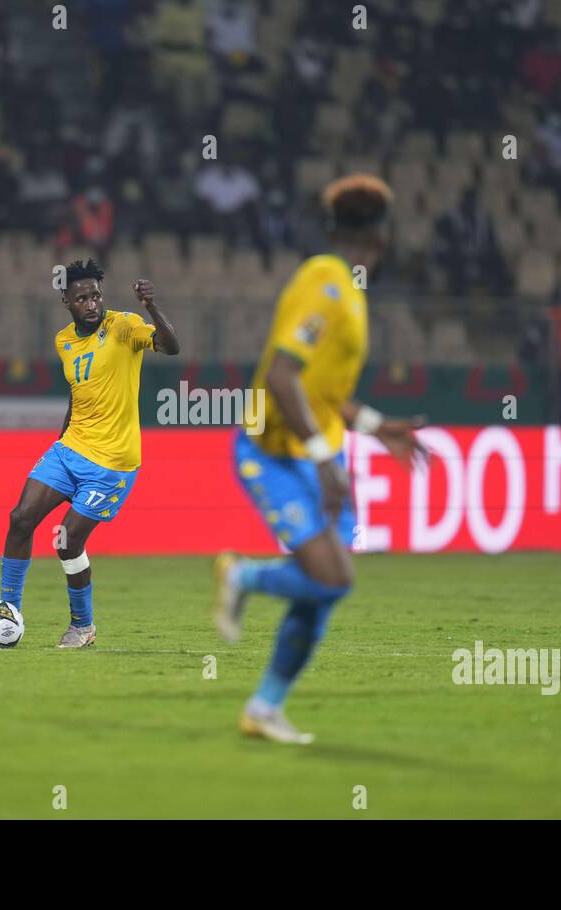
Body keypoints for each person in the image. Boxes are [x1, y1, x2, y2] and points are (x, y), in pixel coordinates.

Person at [213, 175, 427, 744]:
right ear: (381, 238)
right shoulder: (326, 285)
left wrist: (379, 427)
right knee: (333, 578)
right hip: (274, 453)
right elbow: (282, 378)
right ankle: (242, 574)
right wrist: (325, 463)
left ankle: (263, 708)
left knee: (327, 587)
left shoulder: (348, 292)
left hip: (315, 452)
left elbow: (320, 390)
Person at [0, 260, 180, 648]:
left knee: (66, 541)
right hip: (72, 448)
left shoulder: (124, 326)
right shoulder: (63, 341)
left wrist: (152, 308)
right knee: (20, 518)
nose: (92, 304)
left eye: (96, 295)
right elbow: (78, 396)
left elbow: (171, 347)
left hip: (112, 463)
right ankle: (8, 613)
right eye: (82, 298)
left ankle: (82, 626)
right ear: (67, 302)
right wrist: (60, 444)